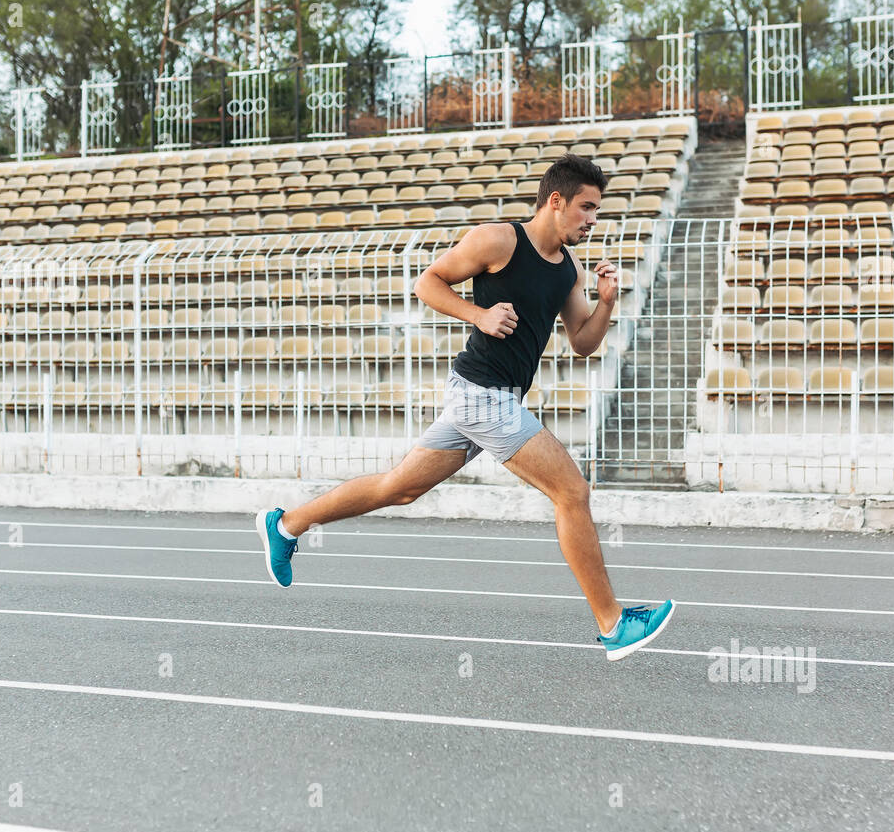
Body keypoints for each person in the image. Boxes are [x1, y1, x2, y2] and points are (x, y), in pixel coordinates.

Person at [255, 152, 674, 661]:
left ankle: (285, 525)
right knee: (572, 491)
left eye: (597, 211)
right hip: (482, 393)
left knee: (400, 488)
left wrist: (607, 302)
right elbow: (428, 282)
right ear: (556, 201)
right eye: (586, 208)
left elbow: (583, 341)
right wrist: (477, 314)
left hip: (485, 397)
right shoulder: (498, 240)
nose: (592, 220)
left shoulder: (569, 270)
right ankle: (612, 625)